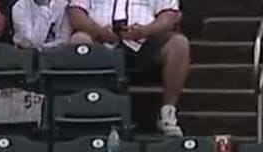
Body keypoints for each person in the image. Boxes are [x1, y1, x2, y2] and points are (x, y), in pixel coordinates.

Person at [67, 0, 189, 136]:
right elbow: (75, 12)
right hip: (100, 41)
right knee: (79, 40)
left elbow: (170, 14)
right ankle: (82, 109)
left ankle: (168, 113)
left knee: (179, 44)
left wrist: (144, 31)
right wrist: (99, 31)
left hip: (144, 42)